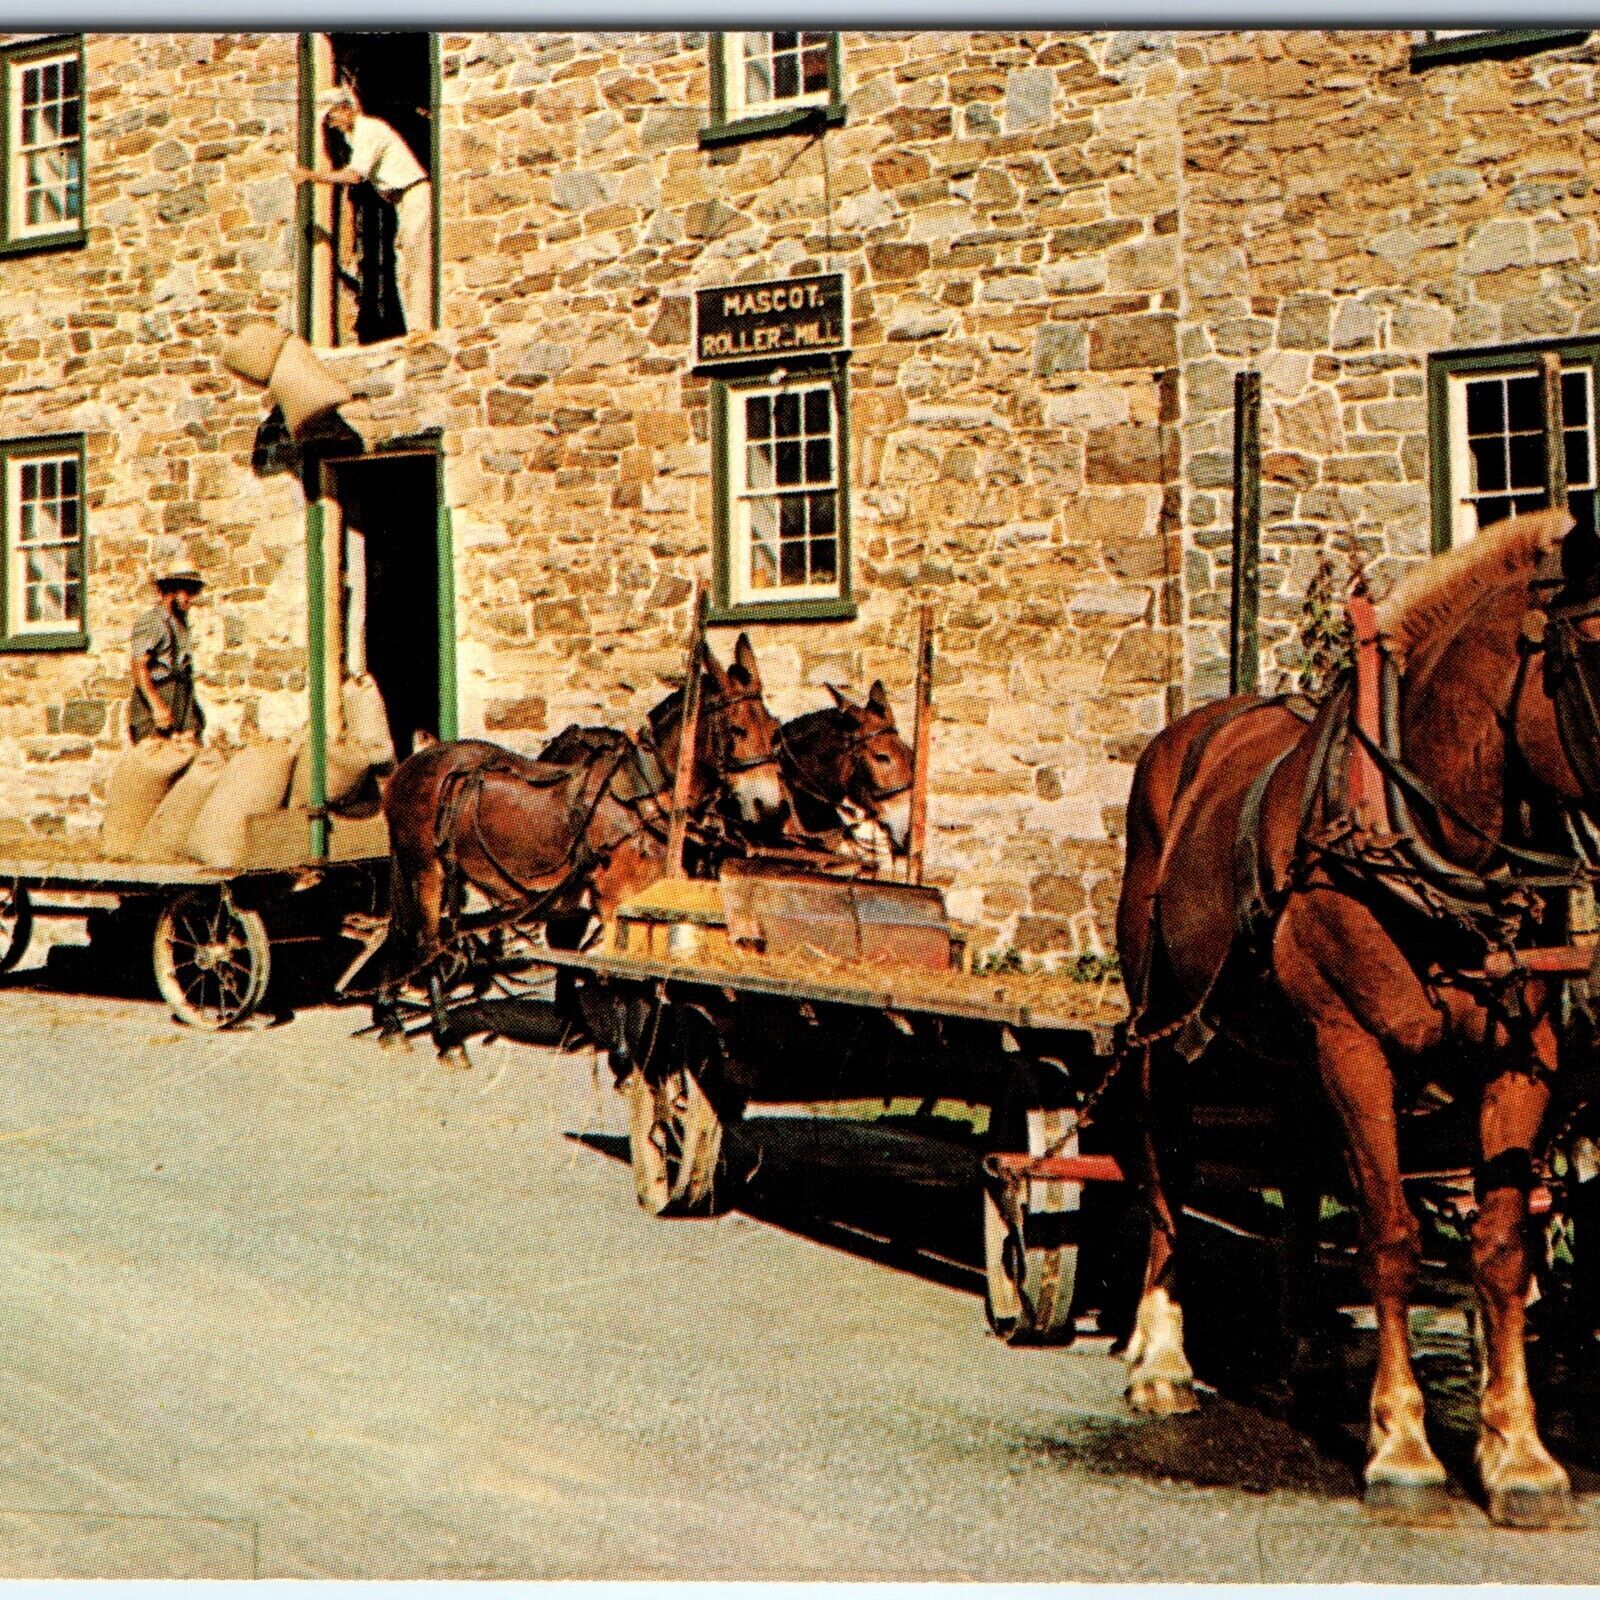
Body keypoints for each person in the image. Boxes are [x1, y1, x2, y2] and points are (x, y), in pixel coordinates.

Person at [293, 97, 434, 336]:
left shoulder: (369, 130)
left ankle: (422, 328)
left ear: (346, 109)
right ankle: (416, 327)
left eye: (333, 117)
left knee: (416, 260)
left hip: (414, 194)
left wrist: (311, 176)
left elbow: (355, 176)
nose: (332, 124)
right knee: (404, 264)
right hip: (403, 200)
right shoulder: (355, 136)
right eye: (328, 121)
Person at [129, 569, 205, 743]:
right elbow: (138, 665)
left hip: (181, 697)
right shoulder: (153, 621)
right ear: (171, 590)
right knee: (157, 754)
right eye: (187, 591)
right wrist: (157, 706)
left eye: (193, 592)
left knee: (189, 749)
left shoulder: (179, 622)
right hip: (157, 696)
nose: (190, 599)